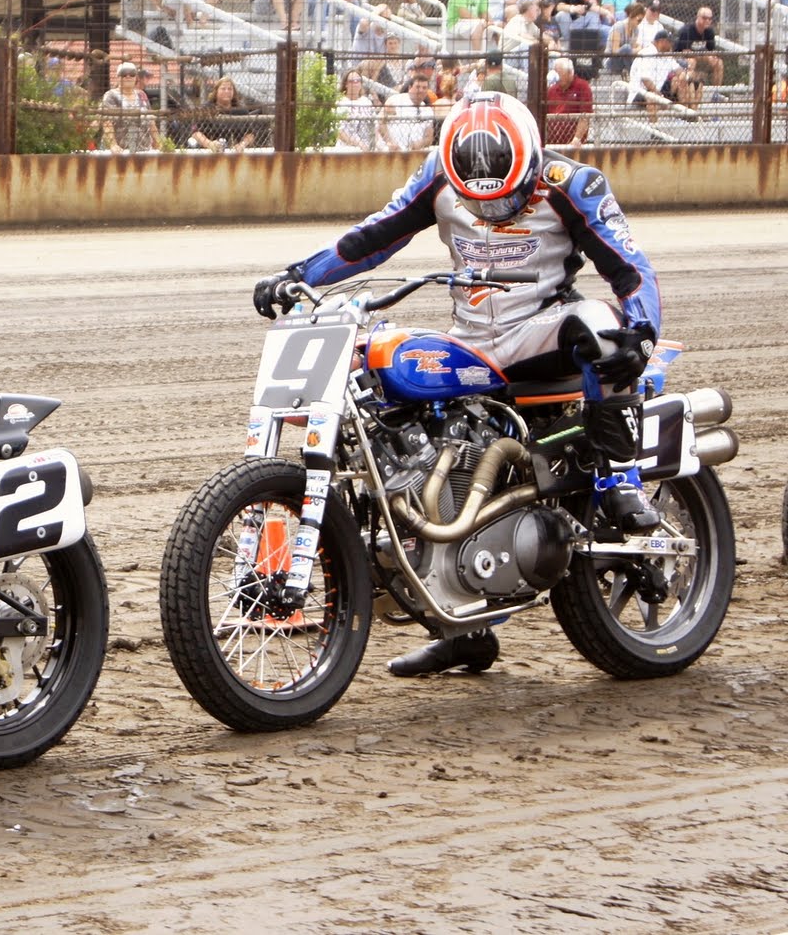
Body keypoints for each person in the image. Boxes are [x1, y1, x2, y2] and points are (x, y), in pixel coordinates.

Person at [256, 91, 662, 676]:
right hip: (469, 339)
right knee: (385, 390)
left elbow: (630, 268)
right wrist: (296, 276)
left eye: (509, 200)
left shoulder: (573, 184)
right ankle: (460, 624)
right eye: (480, 204)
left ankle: (621, 480)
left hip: (541, 331)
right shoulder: (437, 177)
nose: (495, 213)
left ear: (529, 162)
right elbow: (372, 238)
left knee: (600, 324)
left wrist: (643, 331)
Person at [101, 62, 163, 152]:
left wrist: (158, 142)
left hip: (143, 149)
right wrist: (113, 145)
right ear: (118, 77)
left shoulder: (141, 94)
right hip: (120, 151)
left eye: (132, 74)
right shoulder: (111, 96)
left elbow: (150, 121)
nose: (128, 76)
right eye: (124, 73)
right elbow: (107, 122)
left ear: (136, 77)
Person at [627, 29, 686, 116]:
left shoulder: (666, 55)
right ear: (661, 42)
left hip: (659, 91)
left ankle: (687, 117)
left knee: (680, 81)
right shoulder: (647, 53)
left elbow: (678, 69)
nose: (671, 45)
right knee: (652, 97)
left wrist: (683, 75)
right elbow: (646, 80)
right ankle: (654, 126)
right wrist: (660, 98)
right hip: (640, 93)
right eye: (669, 42)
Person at [190, 76, 257, 150]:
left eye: (230, 89)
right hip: (209, 150)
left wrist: (242, 144)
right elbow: (195, 132)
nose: (227, 91)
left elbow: (251, 134)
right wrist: (209, 144)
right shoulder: (206, 108)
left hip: (234, 149)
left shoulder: (240, 109)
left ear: (234, 92)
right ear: (216, 91)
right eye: (223, 89)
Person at [378, 71, 436, 150]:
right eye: (418, 87)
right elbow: (380, 122)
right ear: (410, 88)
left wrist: (419, 143)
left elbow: (429, 138)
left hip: (414, 152)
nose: (421, 90)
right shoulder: (395, 100)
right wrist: (390, 142)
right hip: (392, 151)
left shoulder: (427, 110)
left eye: (424, 88)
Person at [545, 56, 593, 144]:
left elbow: (585, 116)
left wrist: (576, 138)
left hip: (573, 143)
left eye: (559, 73)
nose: (557, 77)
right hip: (553, 142)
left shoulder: (582, 86)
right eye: (555, 72)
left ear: (570, 73)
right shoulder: (552, 90)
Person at [674, 5, 724, 85]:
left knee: (718, 62)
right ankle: (689, 88)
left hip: (700, 58)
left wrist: (711, 57)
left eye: (710, 19)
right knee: (692, 61)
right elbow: (686, 53)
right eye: (704, 18)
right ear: (698, 17)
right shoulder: (687, 30)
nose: (707, 21)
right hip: (681, 58)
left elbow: (711, 51)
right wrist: (705, 56)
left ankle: (716, 91)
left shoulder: (709, 31)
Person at [335, 69, 381, 149]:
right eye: (352, 81)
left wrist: (375, 143)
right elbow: (339, 132)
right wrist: (359, 145)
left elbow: (375, 126)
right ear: (346, 84)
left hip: (367, 143)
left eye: (358, 81)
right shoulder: (341, 102)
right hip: (347, 146)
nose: (355, 84)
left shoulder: (366, 102)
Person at [607, 1, 646, 77]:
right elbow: (615, 51)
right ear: (631, 15)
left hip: (625, 61)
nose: (639, 22)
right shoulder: (619, 27)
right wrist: (631, 50)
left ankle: (631, 72)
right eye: (639, 20)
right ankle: (633, 74)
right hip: (612, 61)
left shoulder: (636, 30)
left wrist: (634, 50)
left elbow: (634, 47)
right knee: (626, 48)